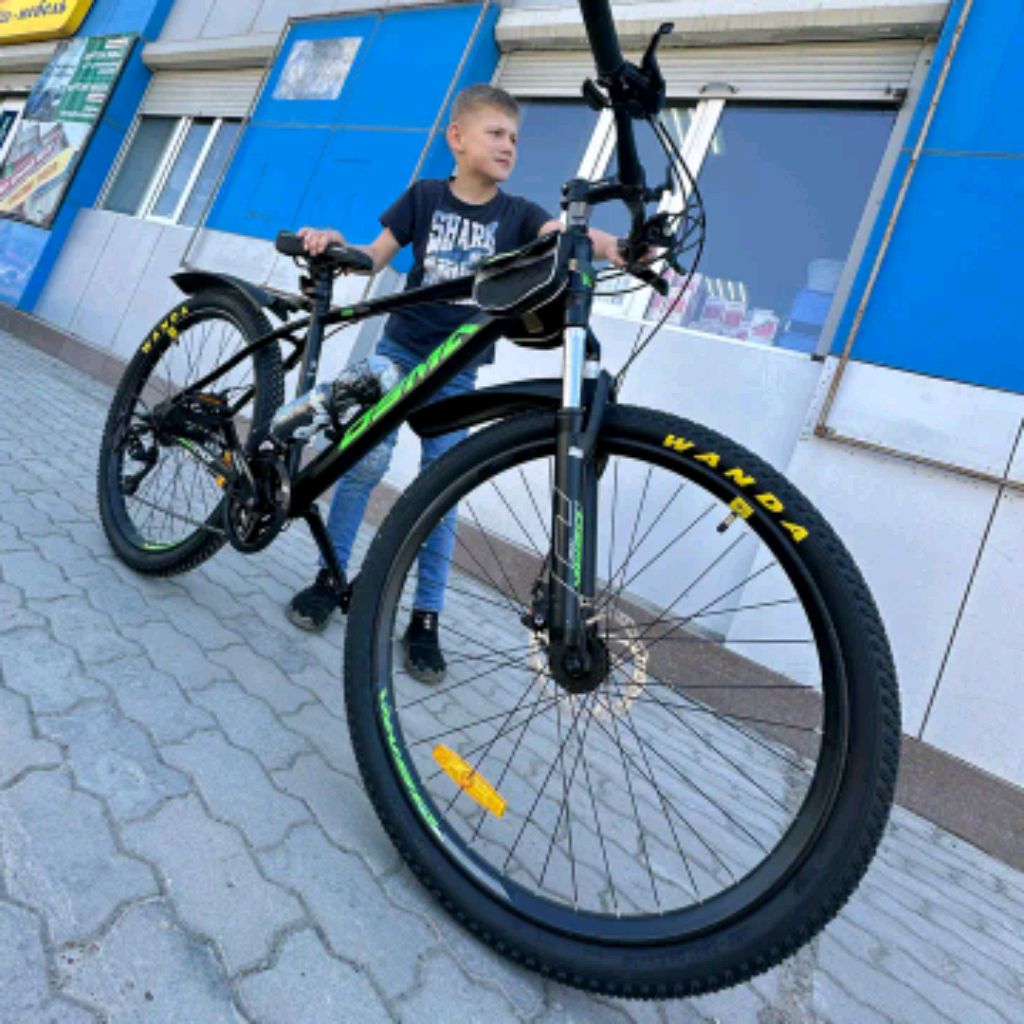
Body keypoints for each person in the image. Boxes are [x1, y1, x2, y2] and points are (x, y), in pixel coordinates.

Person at [286, 83, 625, 682]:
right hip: (399, 354)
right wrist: (337, 244)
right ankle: (328, 578)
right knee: (364, 463)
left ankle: (425, 617)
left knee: (442, 493)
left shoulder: (517, 215)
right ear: (458, 138)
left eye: (514, 137)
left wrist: (619, 248)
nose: (508, 145)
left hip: (456, 373)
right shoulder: (423, 196)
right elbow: (375, 255)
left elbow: (565, 236)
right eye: (496, 133)